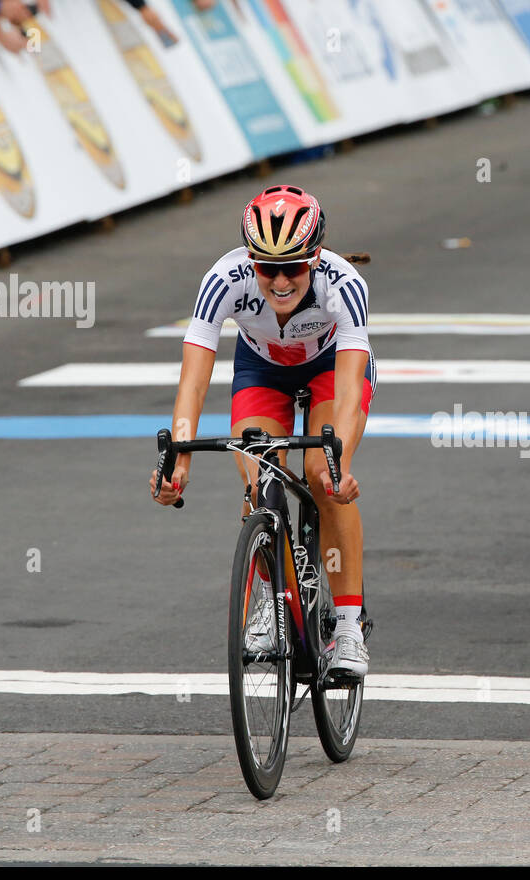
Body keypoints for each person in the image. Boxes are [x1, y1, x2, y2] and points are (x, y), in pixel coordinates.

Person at [150, 185, 375, 677]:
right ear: (249, 261)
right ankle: (272, 603)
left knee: (321, 476)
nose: (278, 280)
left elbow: (352, 392)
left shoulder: (344, 284)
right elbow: (193, 377)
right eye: (266, 267)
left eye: (292, 267)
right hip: (263, 370)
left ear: (315, 259)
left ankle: (350, 630)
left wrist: (343, 464)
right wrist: (178, 463)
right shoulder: (222, 279)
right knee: (259, 477)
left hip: (328, 370)